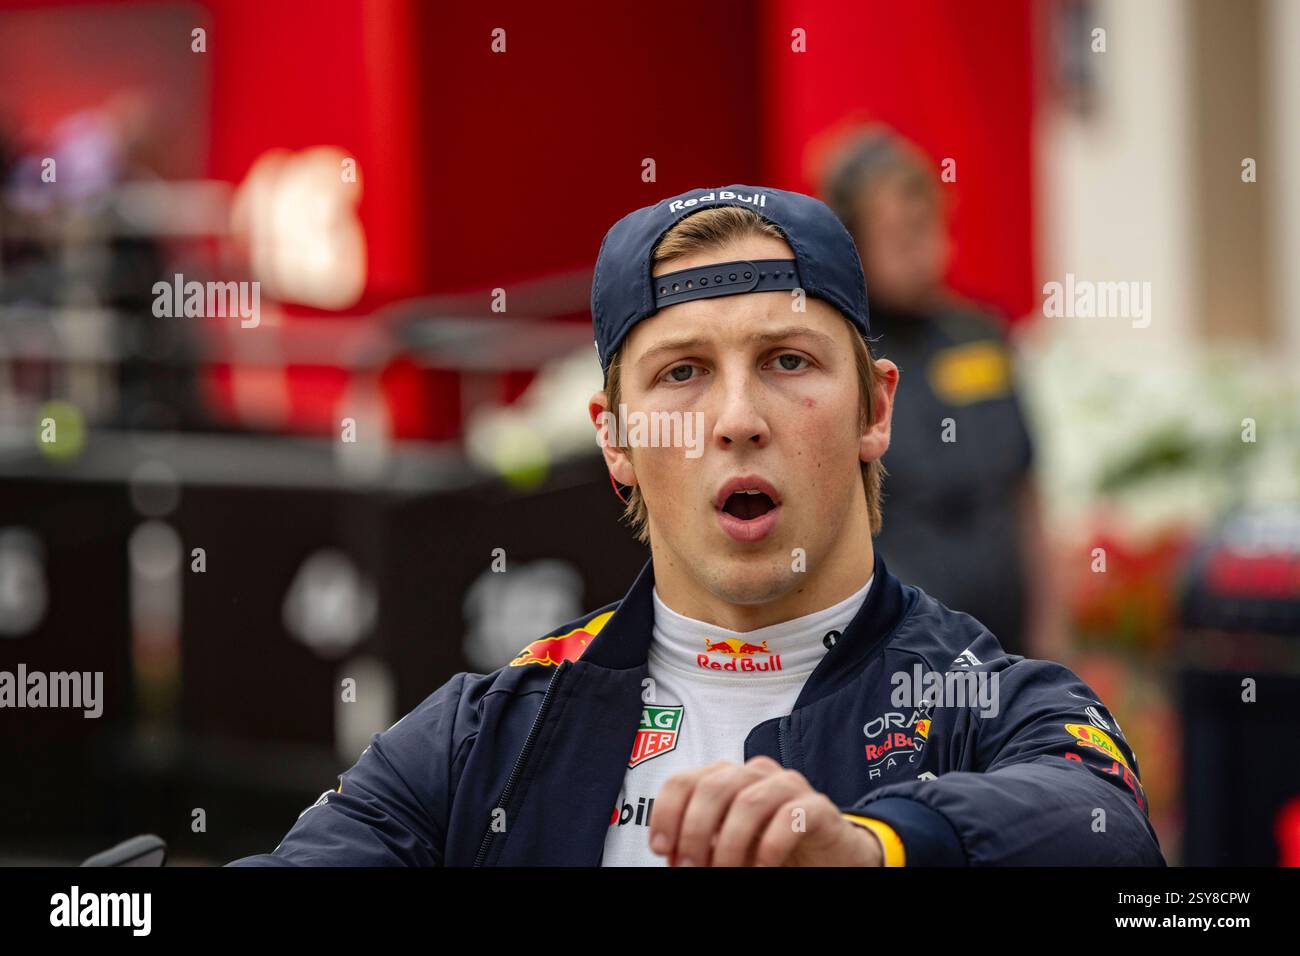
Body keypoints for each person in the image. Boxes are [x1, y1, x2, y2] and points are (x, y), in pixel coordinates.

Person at [228, 184, 1163, 867]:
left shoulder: (991, 703)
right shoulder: (490, 732)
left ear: (875, 411)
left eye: (788, 360)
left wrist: (871, 848)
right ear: (616, 439)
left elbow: (1112, 837)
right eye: (682, 373)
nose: (736, 417)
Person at [819, 127, 1066, 660]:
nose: (924, 251)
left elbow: (1026, 491)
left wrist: (1053, 629)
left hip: (1009, 643)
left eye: (927, 227)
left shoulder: (979, 334)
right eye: (900, 237)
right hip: (901, 652)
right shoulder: (837, 355)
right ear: (852, 241)